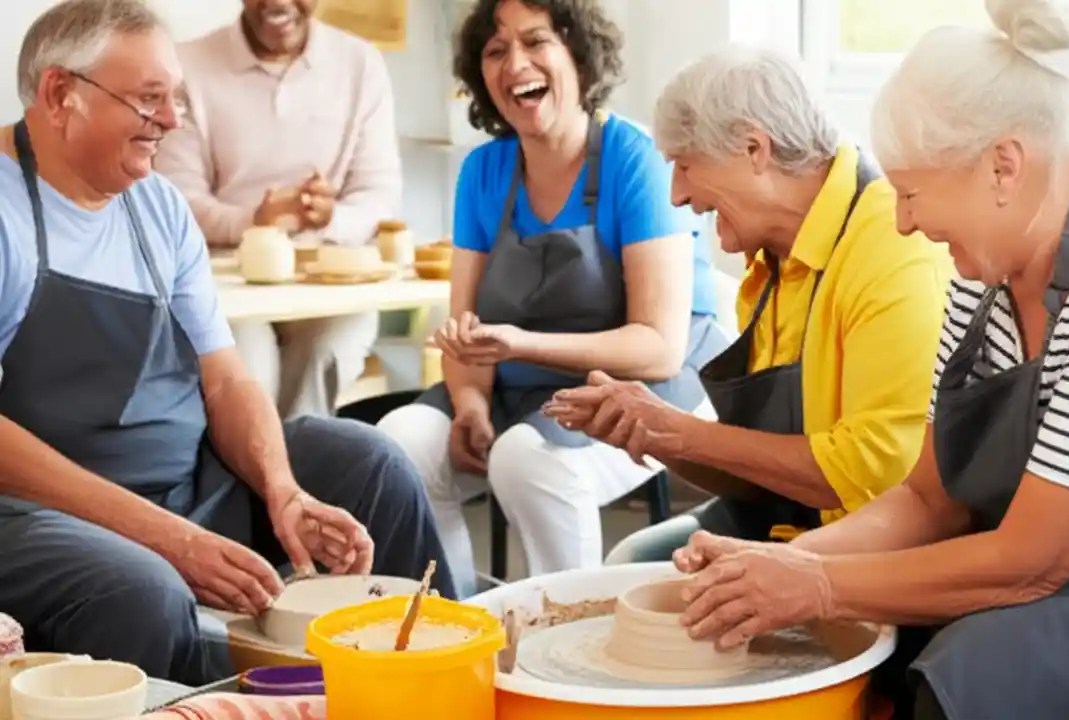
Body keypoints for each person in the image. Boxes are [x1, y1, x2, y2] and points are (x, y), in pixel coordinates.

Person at [667, 2, 1069, 718]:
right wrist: (780, 564)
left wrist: (819, 585)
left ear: (1002, 167)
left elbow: (1031, 564)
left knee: (975, 675)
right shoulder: (988, 267)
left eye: (911, 193)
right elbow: (930, 500)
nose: (902, 222)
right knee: (875, 640)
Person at [0, 0, 453, 686]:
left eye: (175, 98)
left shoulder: (157, 205)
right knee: (145, 590)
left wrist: (283, 491)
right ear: (62, 94)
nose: (173, 121)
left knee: (371, 465)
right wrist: (168, 538)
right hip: (39, 512)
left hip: (186, 484)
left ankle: (435, 684)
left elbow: (226, 379)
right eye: (149, 99)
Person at [543, 47, 953, 562]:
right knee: (632, 562)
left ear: (754, 149)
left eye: (685, 165)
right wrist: (655, 433)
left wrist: (678, 430)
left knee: (648, 578)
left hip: (873, 549)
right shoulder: (769, 264)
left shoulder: (895, 249)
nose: (677, 196)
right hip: (786, 520)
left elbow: (874, 477)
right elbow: (758, 471)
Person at [376, 0, 726, 597]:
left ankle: (570, 625)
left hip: (646, 386)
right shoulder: (483, 171)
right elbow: (465, 330)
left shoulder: (633, 158)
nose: (515, 63)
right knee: (399, 442)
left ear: (579, 57)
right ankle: (456, 620)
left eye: (536, 41)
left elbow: (659, 348)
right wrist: (470, 403)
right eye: (496, 50)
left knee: (525, 459)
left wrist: (520, 344)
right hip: (518, 392)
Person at [154, 0, 400, 419]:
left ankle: (296, 457)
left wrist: (332, 217)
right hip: (227, 283)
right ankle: (264, 458)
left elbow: (380, 194)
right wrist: (254, 223)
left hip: (330, 282)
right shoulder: (187, 66)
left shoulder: (361, 64)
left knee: (327, 351)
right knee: (248, 371)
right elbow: (176, 202)